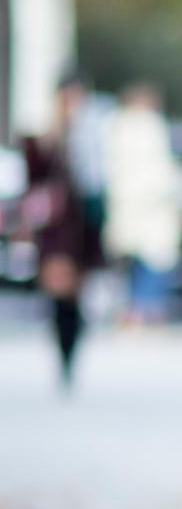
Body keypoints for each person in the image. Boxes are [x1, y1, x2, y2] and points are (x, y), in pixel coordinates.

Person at [17, 75, 107, 387]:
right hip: (56, 228)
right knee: (58, 290)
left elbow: (100, 181)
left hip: (84, 225)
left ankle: (72, 351)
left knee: (76, 294)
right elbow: (33, 176)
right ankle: (64, 358)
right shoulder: (46, 135)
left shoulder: (95, 133)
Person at [103, 83, 182, 325]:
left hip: (133, 213)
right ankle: (142, 312)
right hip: (149, 212)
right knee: (152, 264)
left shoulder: (116, 127)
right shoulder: (146, 128)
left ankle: (137, 311)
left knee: (138, 265)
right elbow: (159, 173)